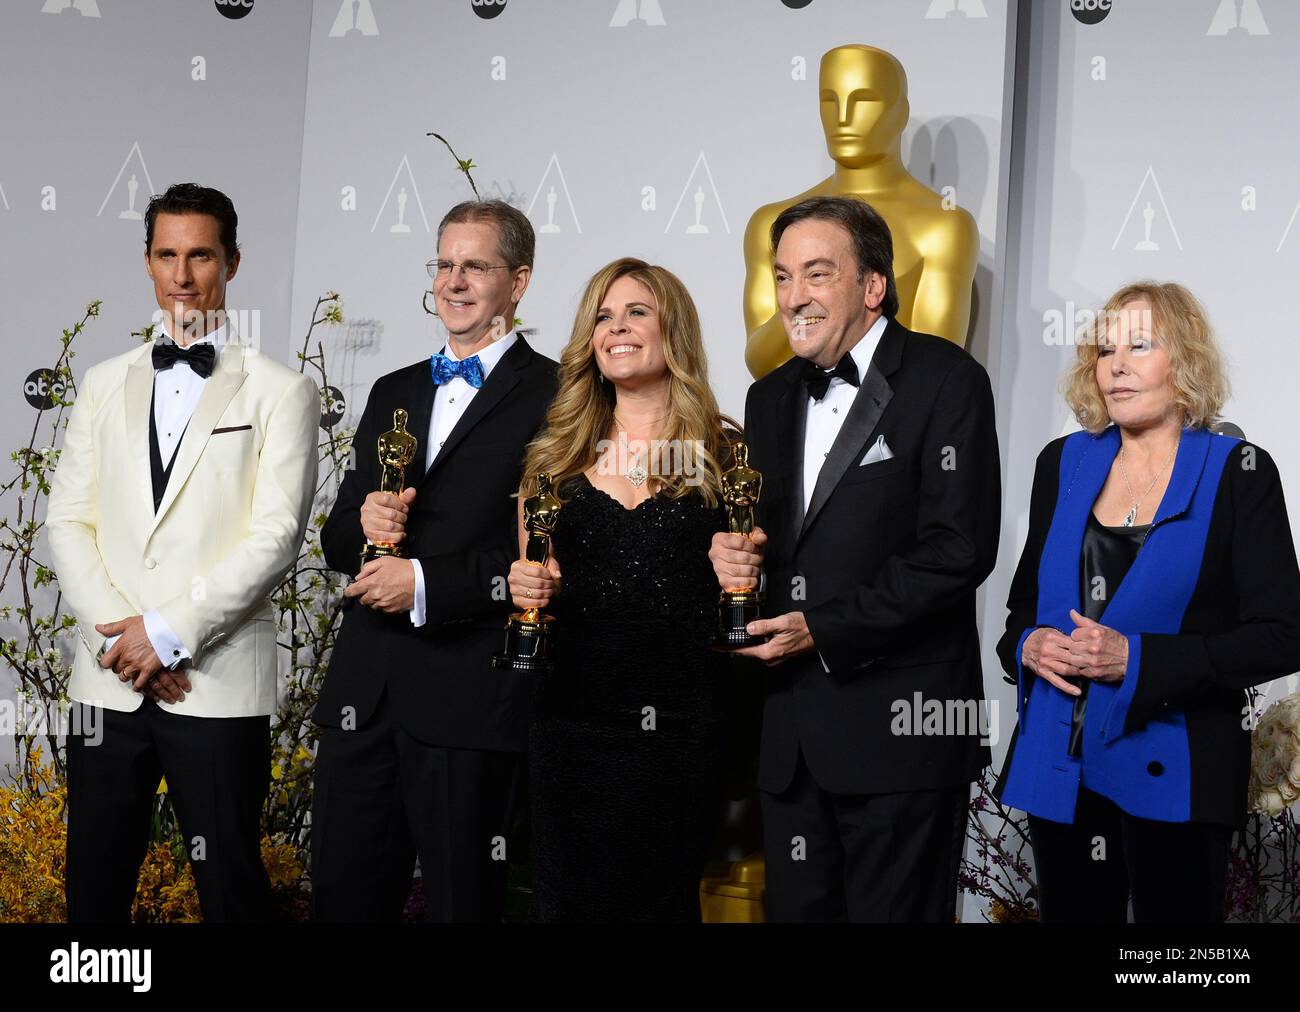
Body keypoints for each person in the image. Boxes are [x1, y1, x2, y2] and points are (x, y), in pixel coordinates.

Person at [710, 195, 1001, 922]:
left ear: (874, 286)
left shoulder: (946, 378)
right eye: (782, 277)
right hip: (790, 741)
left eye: (817, 274)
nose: (793, 297)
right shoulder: (768, 397)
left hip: (903, 733)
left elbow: (958, 550)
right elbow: (776, 543)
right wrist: (733, 557)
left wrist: (823, 627)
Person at [47, 182, 319, 921]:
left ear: (232, 262)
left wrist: (167, 635)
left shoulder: (281, 391)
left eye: (200, 255)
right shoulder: (102, 384)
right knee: (93, 888)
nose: (183, 275)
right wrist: (126, 642)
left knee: (230, 886)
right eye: (167, 255)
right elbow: (67, 521)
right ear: (147, 262)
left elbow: (275, 536)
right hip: (109, 682)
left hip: (215, 681)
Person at [995, 281, 1300, 923]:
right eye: (1105, 350)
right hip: (1061, 762)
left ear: (1184, 360)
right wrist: (1029, 644)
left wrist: (1138, 660)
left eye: (1139, 346)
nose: (1117, 365)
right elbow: (1021, 608)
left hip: (1178, 767)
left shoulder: (1240, 471)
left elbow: (1282, 634)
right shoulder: (1062, 463)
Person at [312, 200, 558, 922]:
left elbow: (545, 555)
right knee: (342, 901)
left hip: (471, 697)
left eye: (474, 266)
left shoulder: (560, 396)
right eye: (444, 264)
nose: (454, 281)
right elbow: (335, 538)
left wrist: (422, 583)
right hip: (364, 692)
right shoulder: (394, 389)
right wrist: (365, 527)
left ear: (518, 282)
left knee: (462, 905)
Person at [507, 257, 736, 921]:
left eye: (637, 312)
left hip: (681, 726)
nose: (617, 327)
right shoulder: (553, 459)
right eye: (603, 317)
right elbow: (533, 587)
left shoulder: (723, 455)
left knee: (663, 902)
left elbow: (752, 586)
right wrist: (526, 587)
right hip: (572, 723)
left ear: (673, 330)